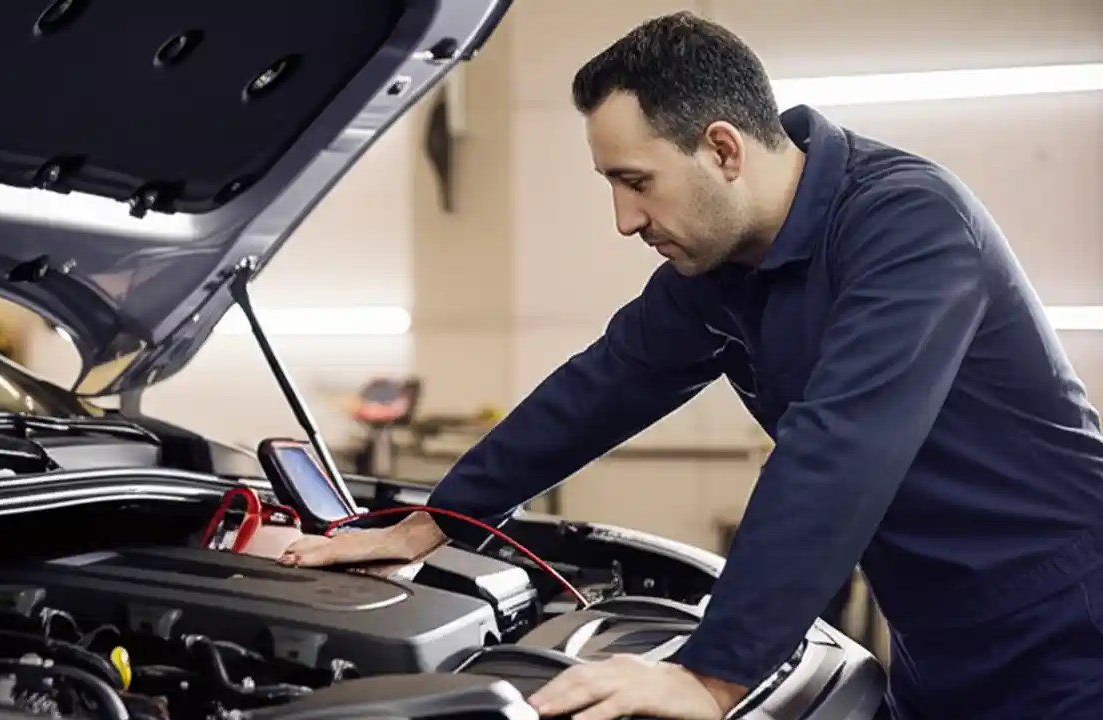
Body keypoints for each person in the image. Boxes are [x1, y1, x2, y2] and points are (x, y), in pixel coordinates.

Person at [279, 11, 1103, 720]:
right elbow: (606, 381)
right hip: (937, 643)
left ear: (723, 149)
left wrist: (713, 675)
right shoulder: (721, 270)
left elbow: (838, 447)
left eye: (637, 182)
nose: (624, 219)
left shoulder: (909, 227)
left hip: (1069, 634)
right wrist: (439, 521)